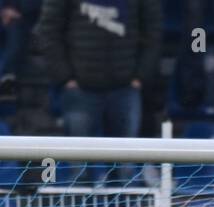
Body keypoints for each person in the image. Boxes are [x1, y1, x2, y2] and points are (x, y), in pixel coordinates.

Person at [38, 0, 161, 142]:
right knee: (79, 158)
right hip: (80, 90)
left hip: (125, 89)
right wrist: (65, 77)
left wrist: (141, 77)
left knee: (126, 158)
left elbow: (153, 32)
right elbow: (48, 30)